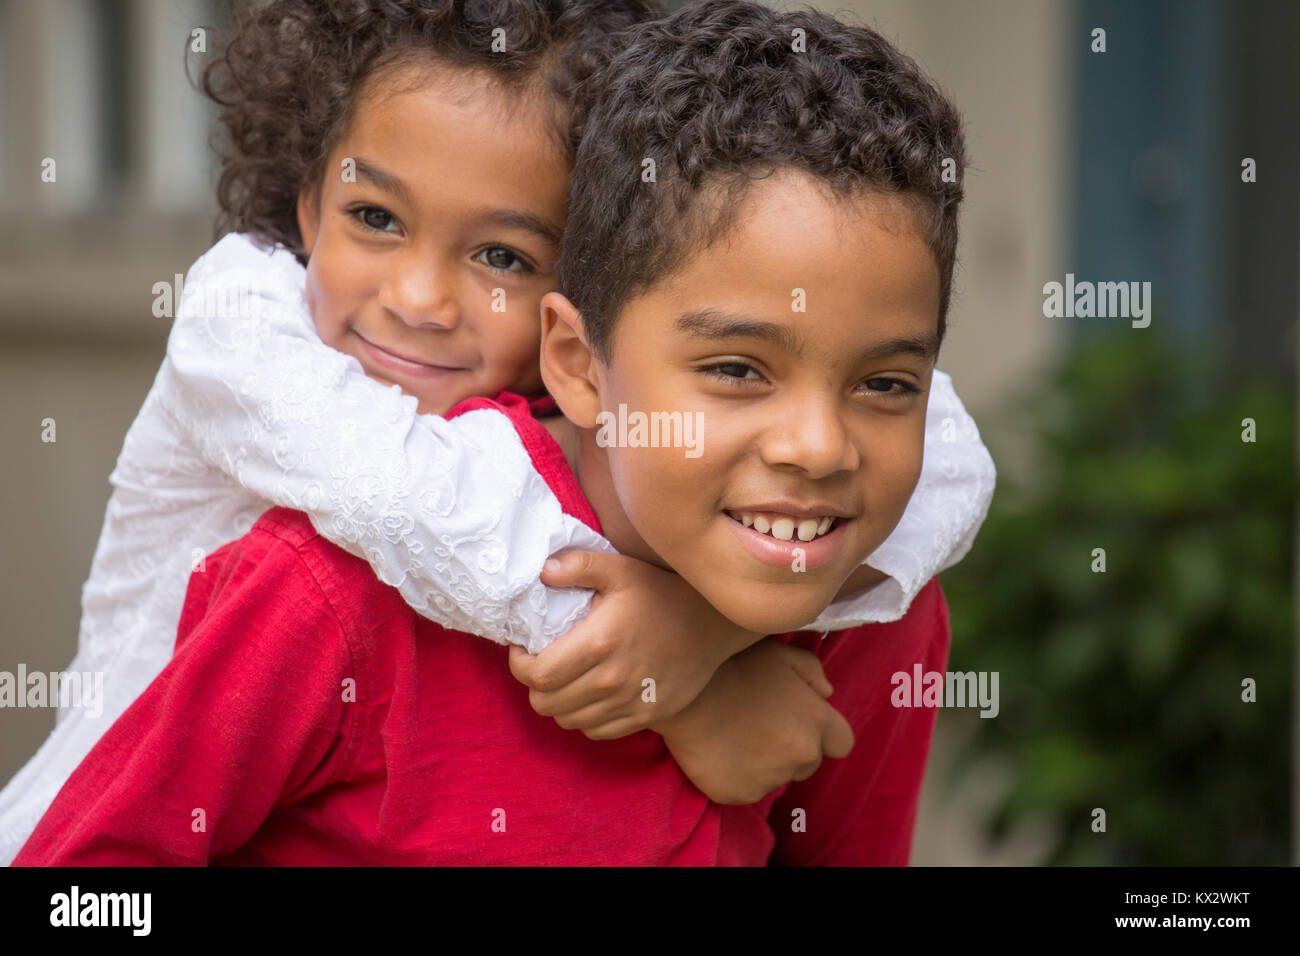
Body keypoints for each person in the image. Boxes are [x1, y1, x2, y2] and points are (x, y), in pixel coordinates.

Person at [11, 0, 989, 865]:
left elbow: (944, 460)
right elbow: (398, 502)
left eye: (500, 253)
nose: (422, 298)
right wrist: (667, 664)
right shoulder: (257, 363)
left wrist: (717, 624)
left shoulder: (861, 600)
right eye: (374, 216)